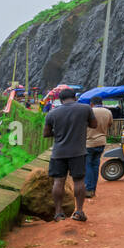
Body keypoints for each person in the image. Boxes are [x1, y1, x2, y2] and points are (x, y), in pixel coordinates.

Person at [44, 87, 94, 221]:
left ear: (60, 100)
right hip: (78, 152)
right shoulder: (85, 109)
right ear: (75, 97)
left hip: (58, 153)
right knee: (78, 181)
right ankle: (79, 211)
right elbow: (93, 125)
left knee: (58, 181)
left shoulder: (52, 113)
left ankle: (58, 213)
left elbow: (46, 134)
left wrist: (59, 132)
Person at [83, 94, 113, 199]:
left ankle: (88, 189)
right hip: (101, 142)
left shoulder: (89, 111)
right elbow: (110, 124)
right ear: (102, 103)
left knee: (88, 166)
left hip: (89, 143)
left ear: (91, 104)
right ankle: (93, 189)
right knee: (95, 166)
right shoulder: (108, 112)